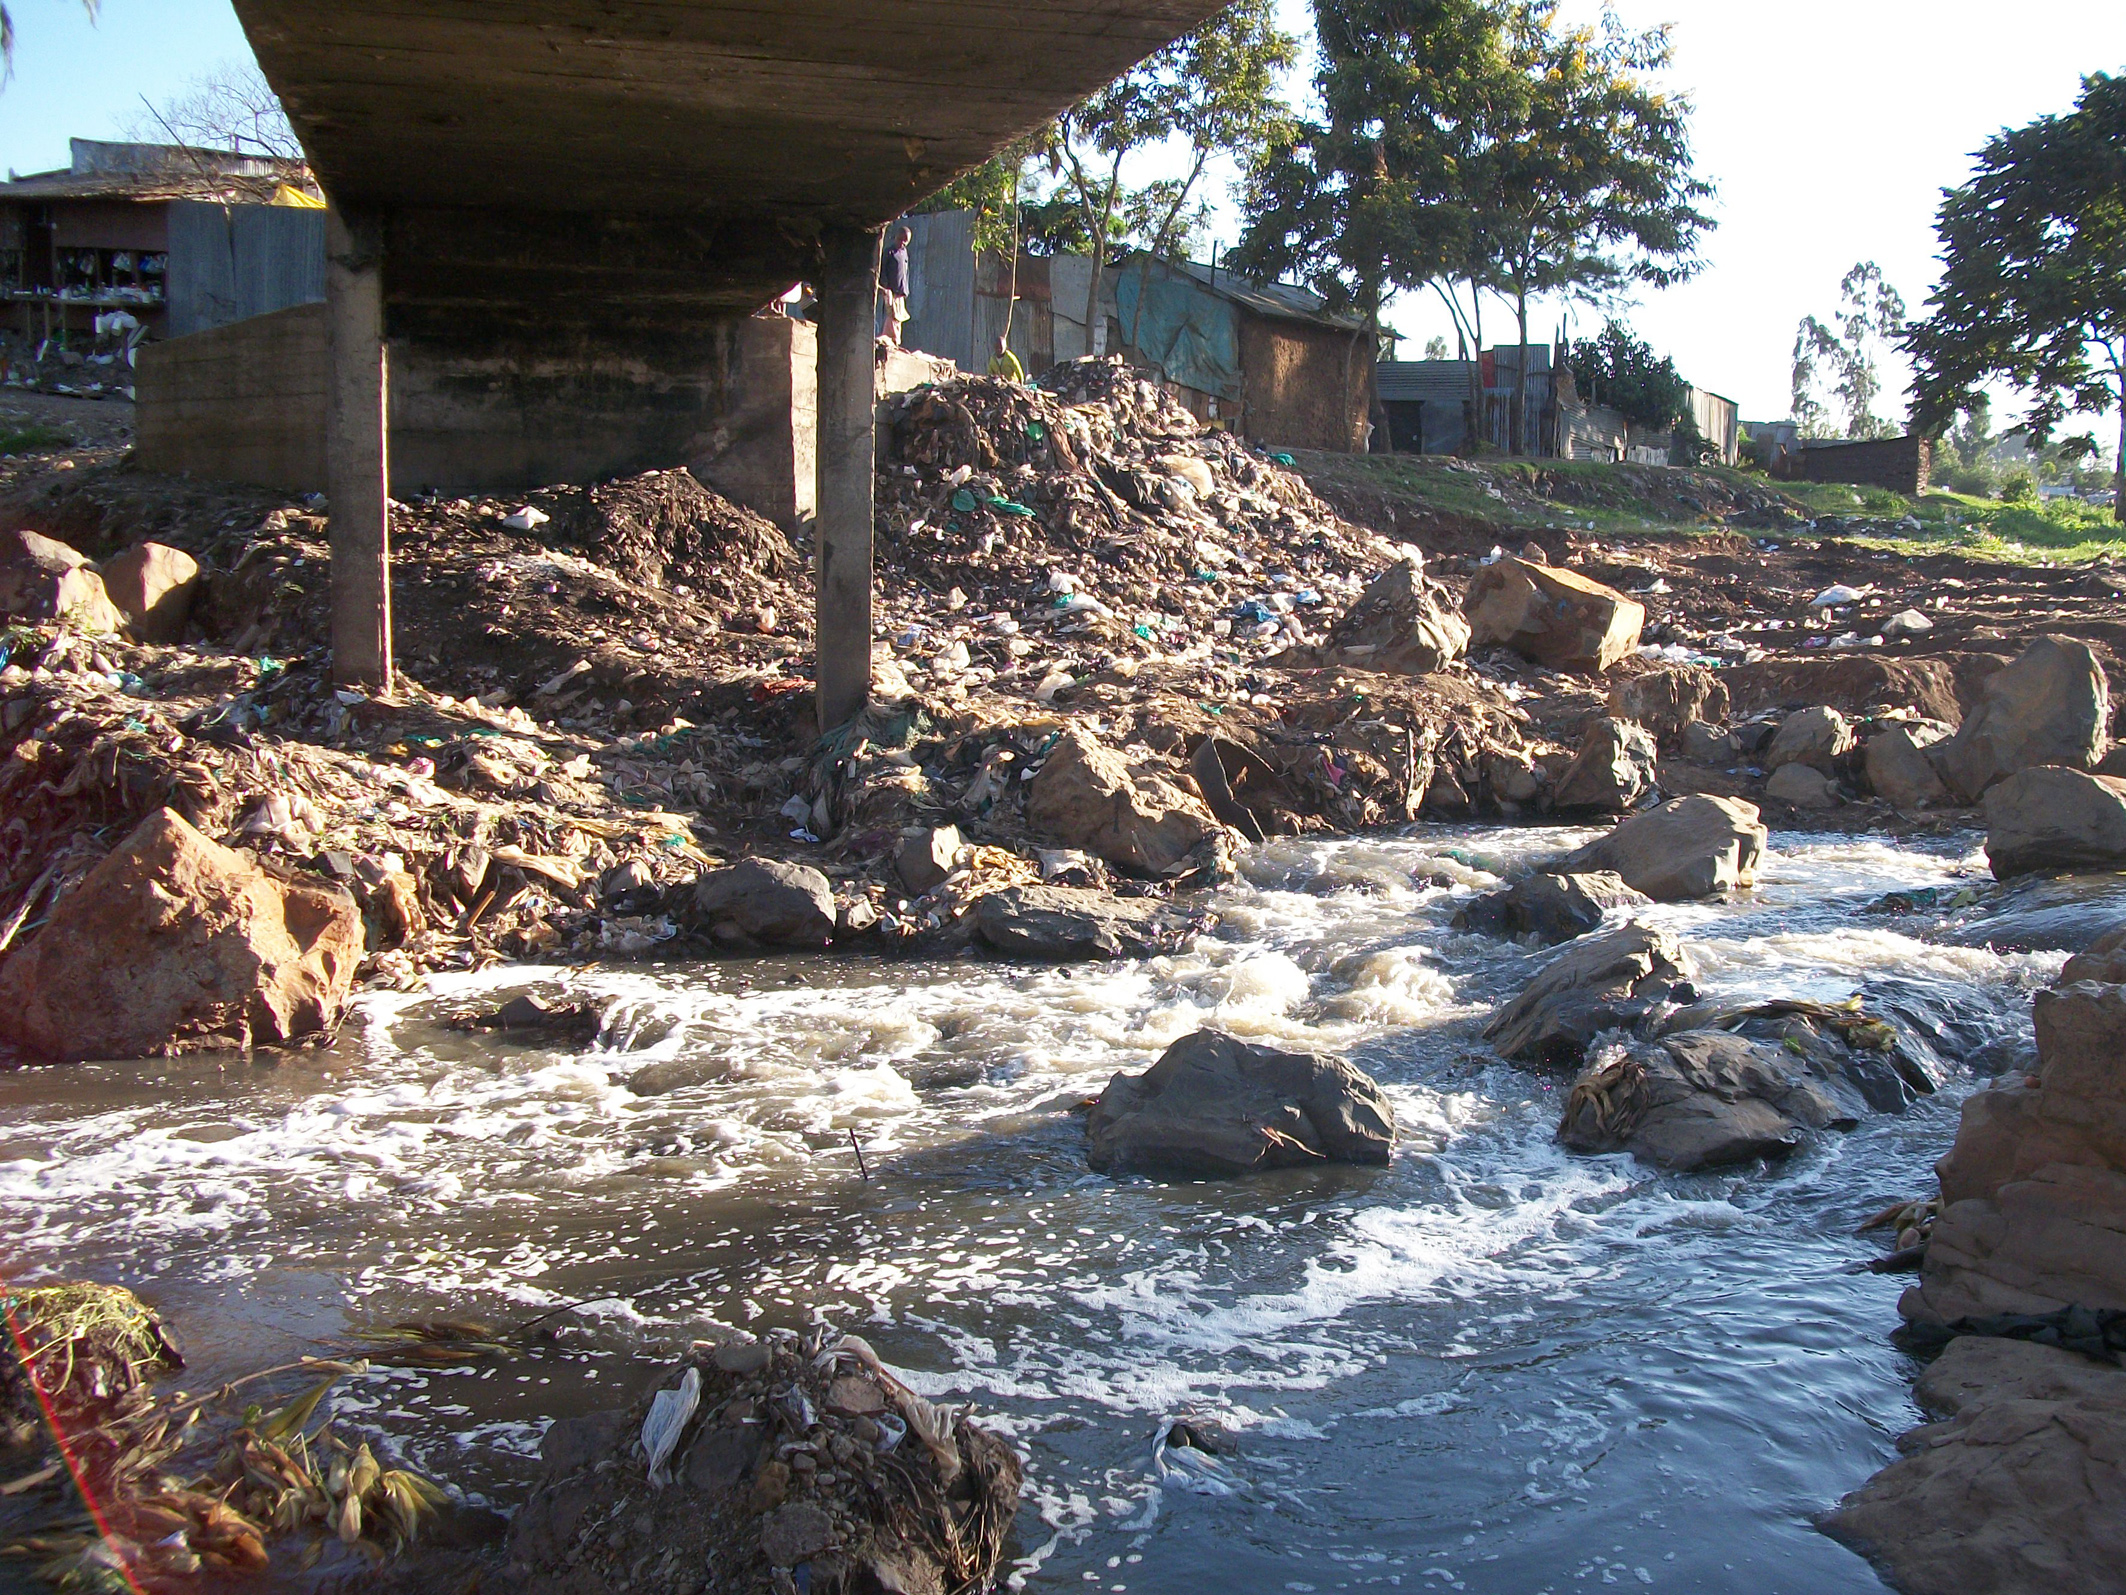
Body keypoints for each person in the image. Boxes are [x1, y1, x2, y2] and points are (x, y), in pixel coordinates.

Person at [878, 224, 912, 347]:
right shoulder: (889, 251)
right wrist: (885, 287)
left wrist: (905, 290)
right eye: (901, 239)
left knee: (899, 317)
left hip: (901, 291)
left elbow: (905, 272)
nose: (903, 243)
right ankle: (889, 340)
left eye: (906, 241)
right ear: (896, 237)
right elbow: (882, 271)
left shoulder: (904, 253)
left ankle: (895, 341)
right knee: (892, 316)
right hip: (890, 291)